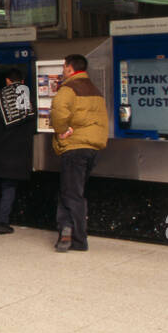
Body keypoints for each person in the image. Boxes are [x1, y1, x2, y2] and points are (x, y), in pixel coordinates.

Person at [51, 54, 108, 252]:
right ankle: (65, 231)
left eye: (64, 66)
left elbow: (58, 110)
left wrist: (61, 130)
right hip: (92, 148)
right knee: (71, 192)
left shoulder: (69, 88)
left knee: (72, 194)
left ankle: (78, 239)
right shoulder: (96, 91)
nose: (63, 70)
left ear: (69, 68)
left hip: (75, 147)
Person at [0, 67, 36, 234]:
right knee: (9, 187)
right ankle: (2, 221)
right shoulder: (29, 98)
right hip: (17, 152)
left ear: (7, 80)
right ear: (22, 81)